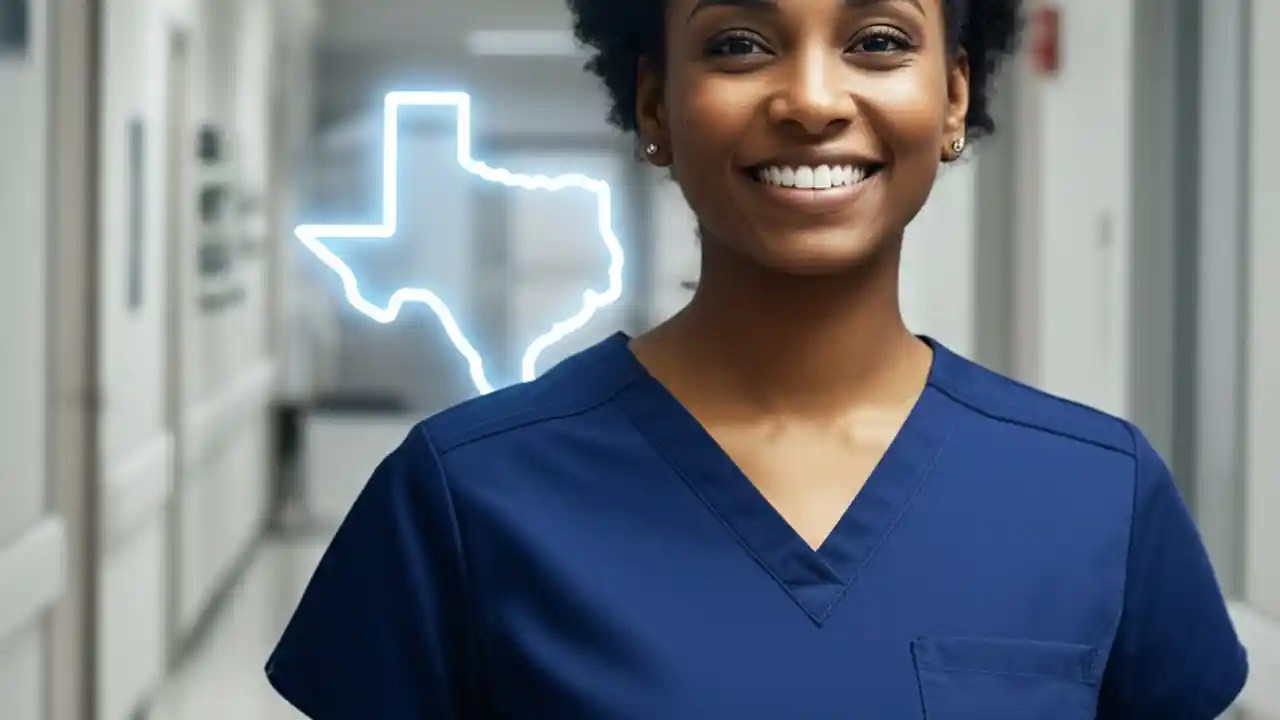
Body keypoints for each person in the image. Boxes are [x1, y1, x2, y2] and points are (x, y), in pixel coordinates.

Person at [266, 0, 1249, 716]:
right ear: (653, 105)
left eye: (876, 42)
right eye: (738, 44)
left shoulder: (1095, 494)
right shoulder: (462, 499)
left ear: (951, 97)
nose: (812, 99)